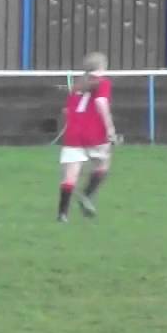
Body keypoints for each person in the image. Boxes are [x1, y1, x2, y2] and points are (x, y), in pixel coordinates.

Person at [57, 52, 118, 222]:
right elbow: (100, 103)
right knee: (103, 163)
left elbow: (67, 111)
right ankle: (86, 195)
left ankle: (62, 214)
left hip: (73, 134)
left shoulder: (77, 86)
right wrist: (110, 128)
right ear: (103, 67)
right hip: (94, 133)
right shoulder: (103, 83)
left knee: (70, 176)